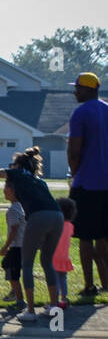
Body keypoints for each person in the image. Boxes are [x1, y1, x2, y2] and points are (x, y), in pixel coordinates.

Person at [0, 147, 63, 322]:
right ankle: (54, 306)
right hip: (57, 216)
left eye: (13, 164)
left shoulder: (18, 174)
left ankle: (31, 311)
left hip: (38, 216)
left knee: (27, 264)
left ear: (18, 166)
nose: (11, 167)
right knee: (47, 262)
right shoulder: (40, 181)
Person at [66, 71, 108, 297]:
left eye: (78, 88)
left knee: (85, 236)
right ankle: (107, 283)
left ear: (89, 89)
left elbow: (75, 150)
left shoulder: (80, 113)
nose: (75, 91)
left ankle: (89, 285)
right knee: (103, 235)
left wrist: (75, 173)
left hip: (86, 183)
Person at [0, 180, 26, 310]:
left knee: (13, 273)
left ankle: (19, 299)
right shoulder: (21, 207)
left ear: (13, 191)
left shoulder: (13, 211)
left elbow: (14, 230)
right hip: (22, 246)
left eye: (6, 188)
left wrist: (6, 246)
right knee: (6, 264)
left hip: (17, 247)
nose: (4, 191)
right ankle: (14, 291)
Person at [53, 196, 78, 311]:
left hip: (54, 255)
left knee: (54, 278)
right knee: (63, 278)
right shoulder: (70, 226)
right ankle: (64, 298)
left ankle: (55, 300)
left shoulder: (56, 224)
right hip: (64, 256)